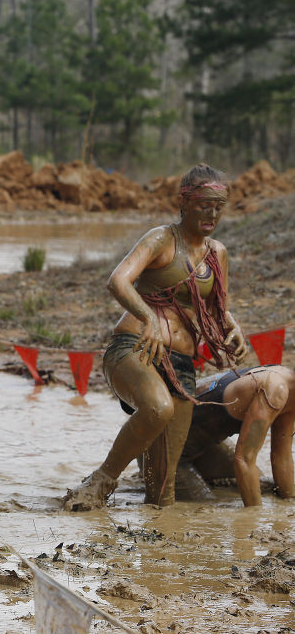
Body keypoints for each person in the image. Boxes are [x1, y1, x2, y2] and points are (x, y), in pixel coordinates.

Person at [63, 164, 248, 511]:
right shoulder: (162, 239)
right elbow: (118, 280)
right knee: (157, 408)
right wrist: (147, 315)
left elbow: (216, 308)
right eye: (203, 204)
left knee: (163, 492)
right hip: (135, 348)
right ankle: (99, 483)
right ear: (184, 202)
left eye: (218, 207)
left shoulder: (217, 253)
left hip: (181, 366)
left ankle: (157, 546)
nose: (211, 213)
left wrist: (231, 327)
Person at [175, 365, 295, 506]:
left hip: (201, 443)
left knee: (260, 483)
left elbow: (281, 456)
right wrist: (255, 519)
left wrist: (289, 502)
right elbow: (243, 459)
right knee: (210, 507)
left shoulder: (289, 387)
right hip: (169, 448)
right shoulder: (275, 389)